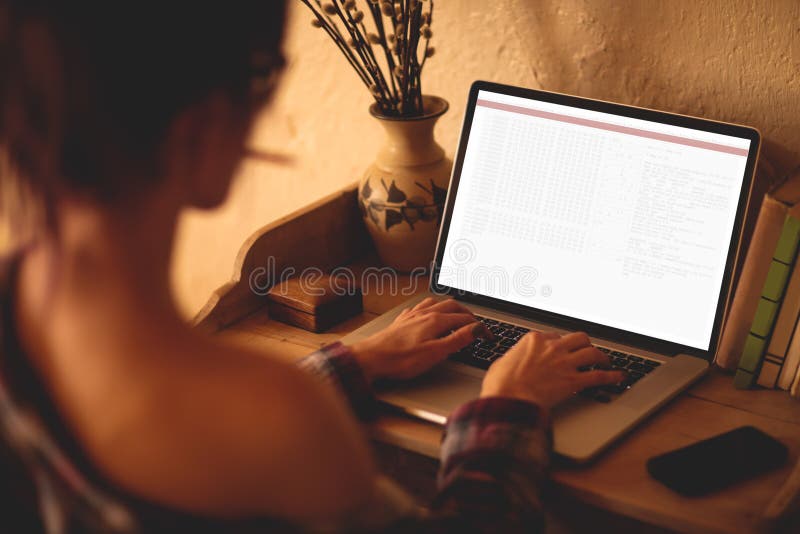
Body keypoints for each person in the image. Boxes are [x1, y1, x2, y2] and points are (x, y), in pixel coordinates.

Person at [0, 2, 626, 532]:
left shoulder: (17, 310)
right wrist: (509, 406)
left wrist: (356, 363)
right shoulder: (284, 420)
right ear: (201, 133)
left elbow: (227, 434)